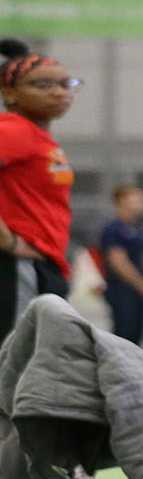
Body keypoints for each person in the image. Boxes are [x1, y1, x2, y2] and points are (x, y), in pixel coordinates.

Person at [0, 38, 79, 337]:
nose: (60, 92)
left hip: (41, 264)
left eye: (65, 84)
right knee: (15, 365)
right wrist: (6, 241)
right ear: (10, 94)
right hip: (15, 265)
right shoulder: (13, 129)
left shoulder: (36, 136)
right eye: (43, 85)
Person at [98, 183, 143, 346]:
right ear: (121, 201)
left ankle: (134, 369)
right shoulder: (113, 229)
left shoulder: (140, 229)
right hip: (121, 288)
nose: (142, 202)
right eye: (136, 199)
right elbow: (118, 261)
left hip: (140, 291)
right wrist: (141, 284)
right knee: (124, 331)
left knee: (138, 332)